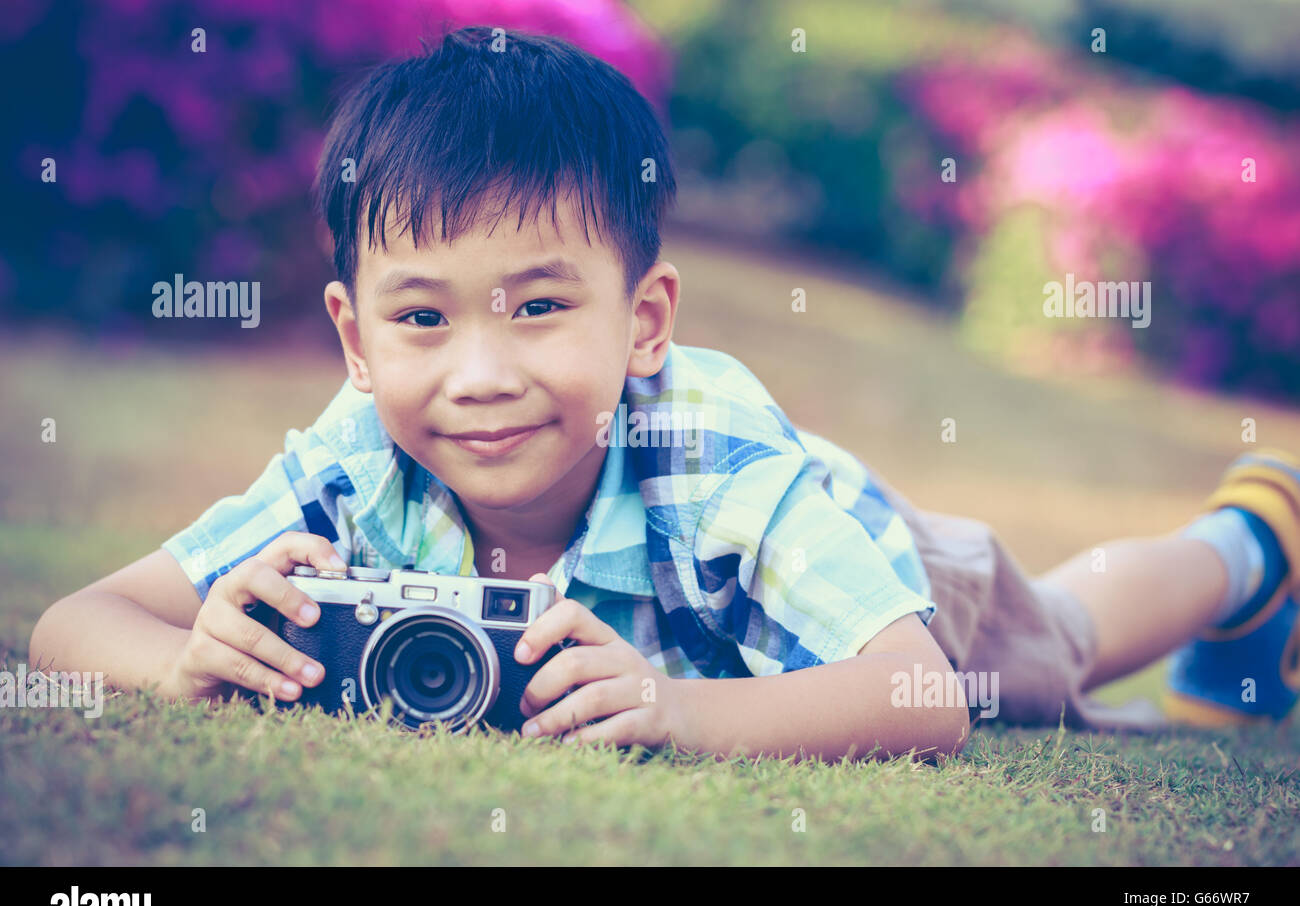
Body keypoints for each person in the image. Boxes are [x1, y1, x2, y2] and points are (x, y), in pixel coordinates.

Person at [29, 27, 1299, 764]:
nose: (481, 373)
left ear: (643, 324)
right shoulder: (354, 455)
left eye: (539, 306)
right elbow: (72, 624)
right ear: (356, 342)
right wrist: (191, 657)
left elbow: (916, 695)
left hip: (881, 575)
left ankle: (1251, 539)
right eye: (423, 318)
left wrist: (678, 707)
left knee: (1055, 638)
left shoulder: (705, 442)